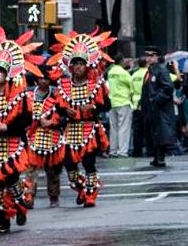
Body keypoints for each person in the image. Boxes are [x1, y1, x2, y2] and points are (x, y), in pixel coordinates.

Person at [0, 31, 39, 234]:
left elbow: (26, 120)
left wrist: (7, 127)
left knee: (11, 180)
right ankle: (2, 220)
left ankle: (20, 207)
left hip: (12, 144)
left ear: (7, 74)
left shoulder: (18, 96)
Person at [53, 32, 115, 206]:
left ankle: (90, 195)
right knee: (69, 166)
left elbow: (107, 105)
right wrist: (65, 111)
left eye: (81, 63)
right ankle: (81, 187)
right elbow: (57, 106)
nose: (78, 67)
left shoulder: (96, 84)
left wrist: (93, 107)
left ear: (87, 65)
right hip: (70, 130)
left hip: (89, 128)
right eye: (75, 64)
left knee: (89, 163)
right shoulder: (63, 85)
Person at [21, 66, 64, 206]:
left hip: (53, 135)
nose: (43, 81)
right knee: (31, 168)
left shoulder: (56, 93)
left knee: (52, 168)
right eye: (41, 78)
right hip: (33, 134)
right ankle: (29, 196)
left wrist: (52, 122)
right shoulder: (29, 94)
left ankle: (54, 196)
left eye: (46, 79)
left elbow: (64, 114)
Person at [141, 47, 176, 168]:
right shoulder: (150, 70)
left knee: (161, 133)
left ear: (157, 57)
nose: (149, 58)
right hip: (151, 108)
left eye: (152, 56)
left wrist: (155, 100)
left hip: (160, 108)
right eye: (147, 56)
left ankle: (160, 157)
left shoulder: (161, 70)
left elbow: (168, 88)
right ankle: (156, 157)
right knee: (154, 133)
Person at [106, 57, 136, 156]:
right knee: (124, 127)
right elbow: (132, 86)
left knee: (113, 128)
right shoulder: (123, 73)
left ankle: (113, 150)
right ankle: (122, 151)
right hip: (123, 102)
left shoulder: (110, 72)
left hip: (112, 102)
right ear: (121, 61)